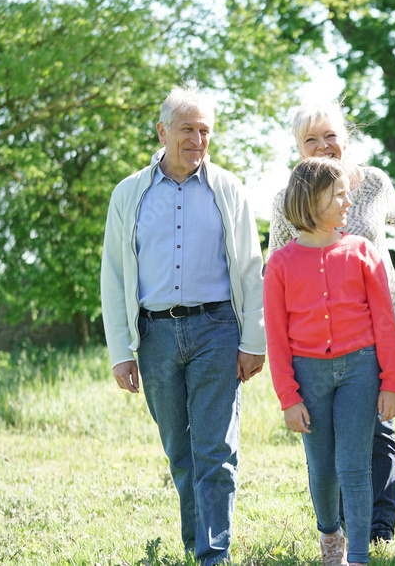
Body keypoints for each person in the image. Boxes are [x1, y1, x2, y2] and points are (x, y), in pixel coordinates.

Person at [100, 86, 266, 565]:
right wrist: (120, 352)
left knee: (215, 449)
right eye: (187, 129)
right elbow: (112, 275)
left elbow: (250, 267)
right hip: (154, 337)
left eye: (205, 131)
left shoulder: (229, 189)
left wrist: (253, 339)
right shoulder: (128, 194)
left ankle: (211, 553)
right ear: (162, 131)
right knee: (180, 450)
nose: (197, 139)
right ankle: (199, 543)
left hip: (217, 329)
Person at [268, 101, 395, 543]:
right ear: (298, 148)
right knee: (330, 443)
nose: (322, 146)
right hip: (316, 343)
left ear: (346, 138)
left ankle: (377, 528)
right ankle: (335, 527)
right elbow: (281, 263)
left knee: (379, 426)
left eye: (329, 136)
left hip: (374, 320)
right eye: (310, 140)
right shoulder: (287, 200)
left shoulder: (371, 182)